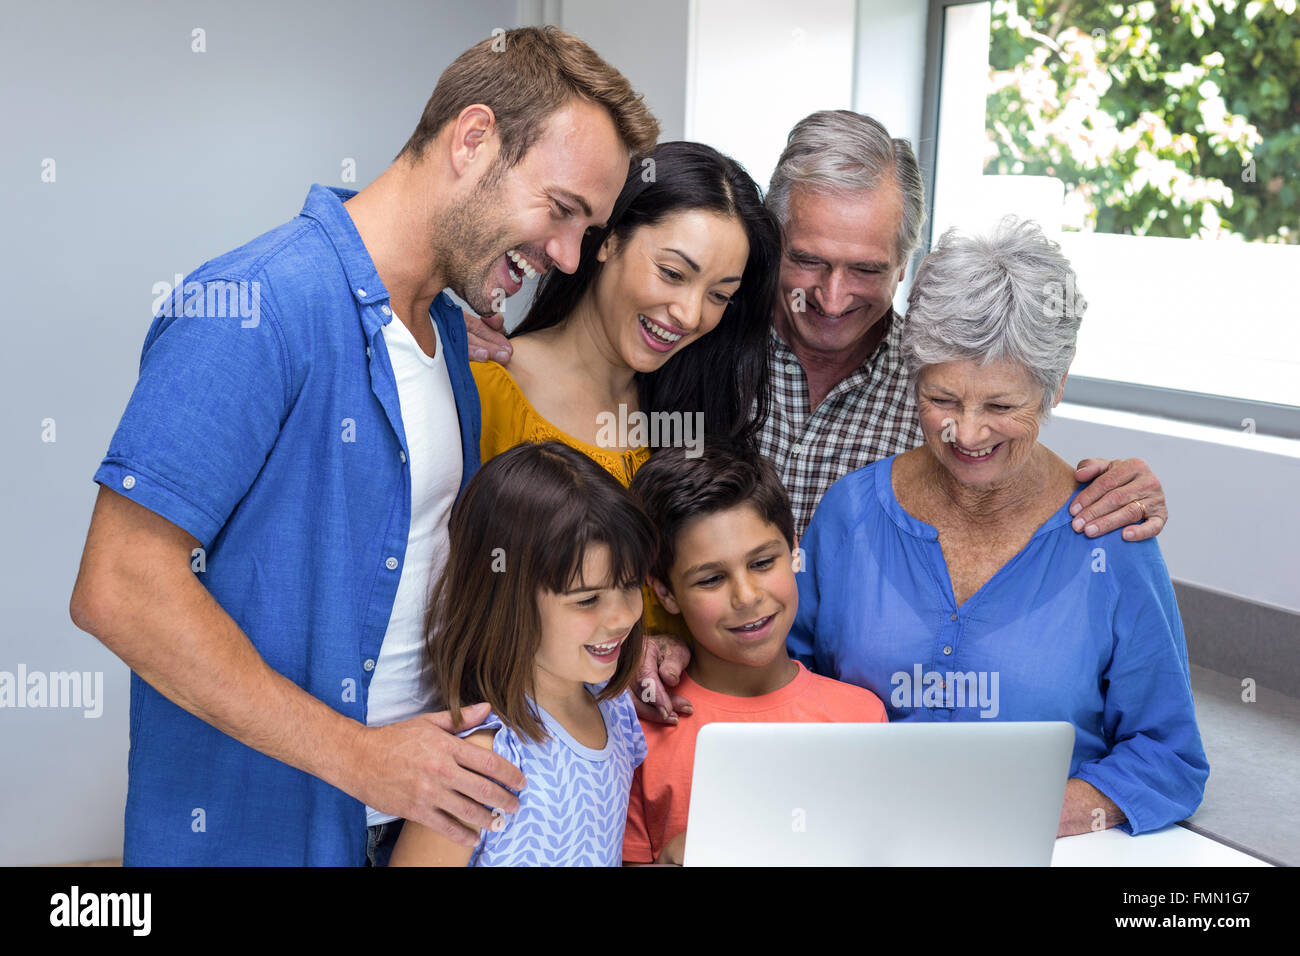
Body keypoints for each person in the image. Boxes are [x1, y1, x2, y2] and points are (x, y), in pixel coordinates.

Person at [67, 26, 659, 866]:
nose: (564, 257)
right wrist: (364, 761)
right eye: (561, 210)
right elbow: (119, 588)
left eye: (585, 230)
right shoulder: (257, 304)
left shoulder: (447, 335)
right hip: (261, 832)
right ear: (474, 139)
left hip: (397, 826)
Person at [469, 110, 1174, 724]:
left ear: (906, 263)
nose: (832, 298)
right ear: (771, 243)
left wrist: (1113, 487)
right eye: (806, 261)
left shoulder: (938, 381)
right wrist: (448, 329)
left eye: (866, 270)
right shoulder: (698, 342)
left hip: (831, 721)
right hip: (658, 694)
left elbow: (1004, 440)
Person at [788, 217, 1209, 837]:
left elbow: (1168, 758)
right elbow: (779, 689)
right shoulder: (849, 513)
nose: (969, 432)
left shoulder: (1111, 536)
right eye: (942, 399)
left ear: (1055, 387)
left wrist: (1006, 813)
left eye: (1003, 406)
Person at [472, 139, 780, 640]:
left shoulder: (689, 420)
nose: (690, 314)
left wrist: (671, 645)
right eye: (673, 273)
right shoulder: (486, 386)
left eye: (719, 295)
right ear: (609, 240)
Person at [389, 442, 656, 866]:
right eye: (587, 600)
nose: (622, 616)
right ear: (508, 602)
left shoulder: (616, 708)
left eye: (629, 586)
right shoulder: (482, 758)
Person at [621, 444, 887, 865]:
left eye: (763, 563)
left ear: (794, 551)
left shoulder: (861, 718)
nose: (746, 597)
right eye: (711, 579)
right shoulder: (638, 727)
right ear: (665, 592)